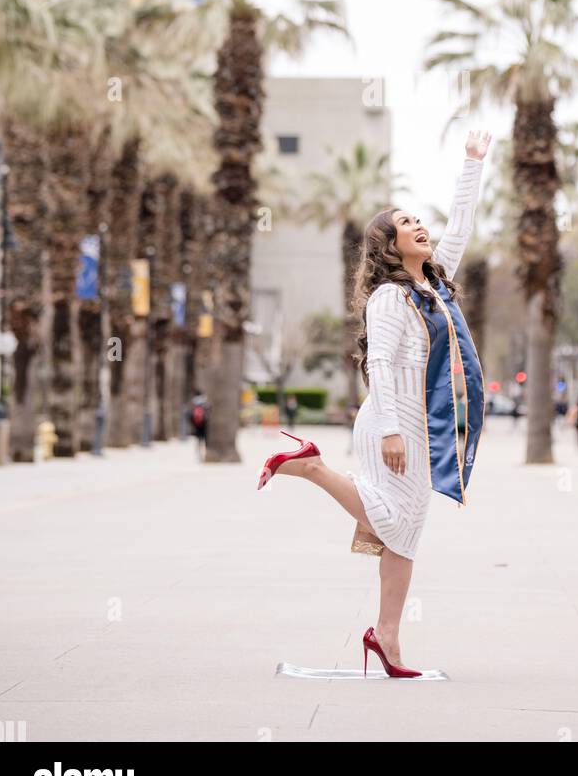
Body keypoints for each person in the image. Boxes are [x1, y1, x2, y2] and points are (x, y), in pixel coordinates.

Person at [256, 129, 492, 679]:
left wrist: (471, 163)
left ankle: (386, 636)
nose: (420, 226)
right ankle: (311, 466)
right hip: (393, 419)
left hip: (419, 422)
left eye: (418, 219)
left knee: (406, 531)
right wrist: (388, 427)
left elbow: (460, 225)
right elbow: (379, 365)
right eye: (407, 222)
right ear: (389, 243)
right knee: (396, 522)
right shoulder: (389, 296)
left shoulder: (434, 284)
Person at [189, 392, 209, 460]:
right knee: (205, 440)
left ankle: (198, 453)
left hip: (197, 425)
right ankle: (205, 453)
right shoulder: (204, 402)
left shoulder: (194, 402)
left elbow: (191, 415)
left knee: (198, 440)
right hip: (204, 424)